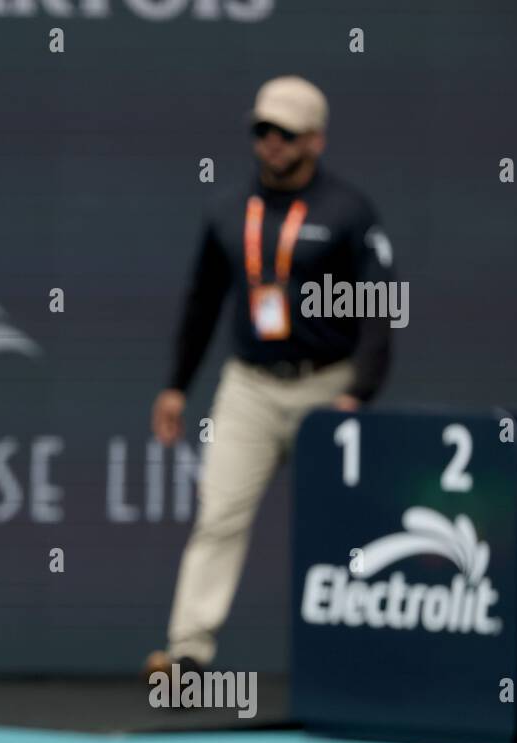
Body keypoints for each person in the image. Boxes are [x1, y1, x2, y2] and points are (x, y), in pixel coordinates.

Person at [147, 75, 397, 676]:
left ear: (316, 140)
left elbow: (378, 309)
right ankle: (188, 654)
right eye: (263, 131)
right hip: (251, 385)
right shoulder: (229, 208)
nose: (272, 143)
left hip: (327, 385)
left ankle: (355, 658)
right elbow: (203, 303)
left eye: (286, 134)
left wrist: (356, 392)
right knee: (219, 515)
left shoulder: (349, 211)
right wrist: (177, 385)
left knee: (346, 526)